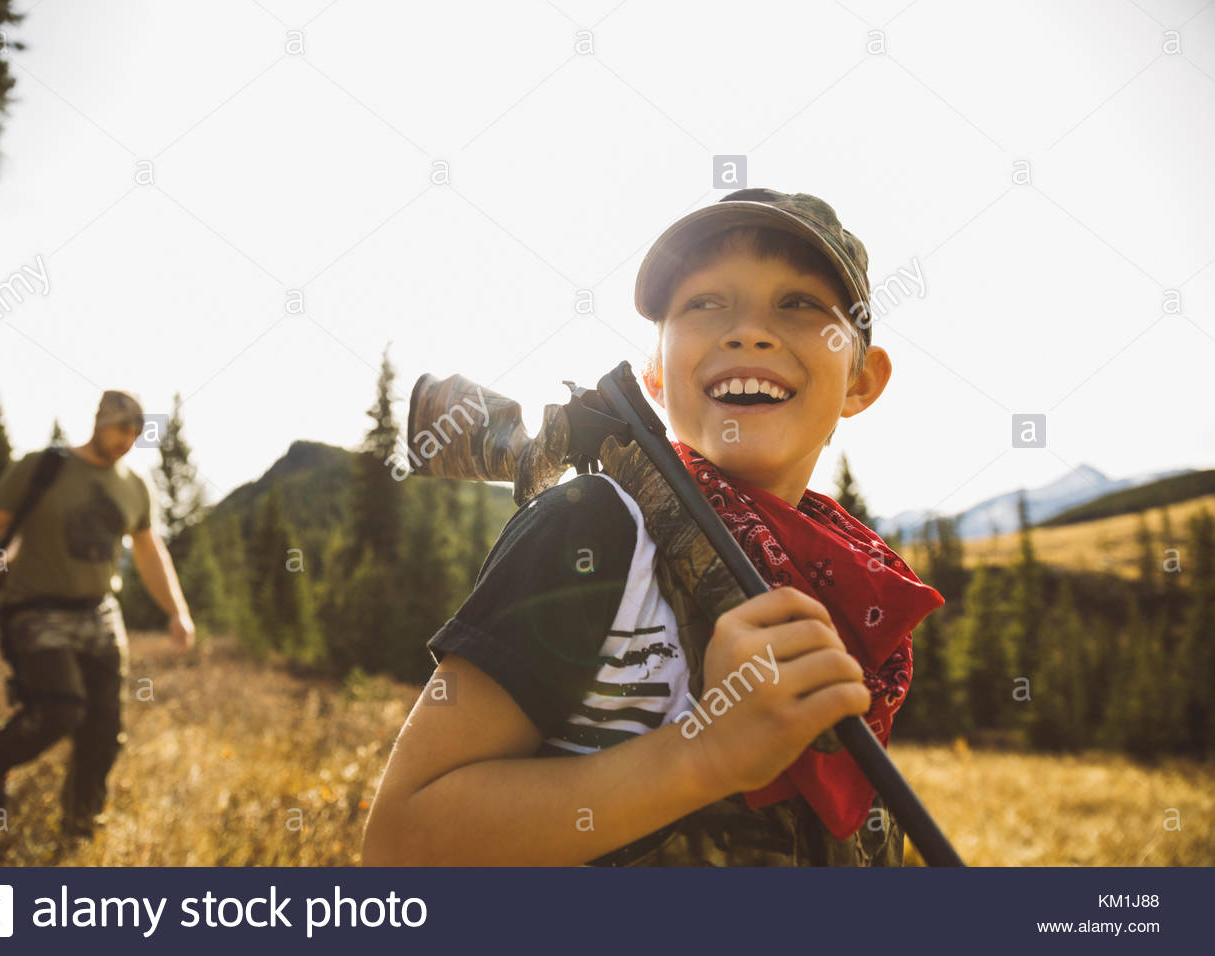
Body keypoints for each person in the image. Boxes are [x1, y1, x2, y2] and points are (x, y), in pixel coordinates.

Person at [361, 189, 945, 866]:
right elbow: (401, 844)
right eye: (703, 303)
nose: (748, 331)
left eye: (800, 304)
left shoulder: (857, 583)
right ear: (656, 377)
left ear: (861, 380)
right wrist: (707, 753)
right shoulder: (596, 528)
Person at [0, 390, 196, 838]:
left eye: (136, 431)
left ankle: (80, 825)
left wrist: (177, 611)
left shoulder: (133, 486)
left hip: (101, 613)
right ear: (99, 421)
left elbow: (148, 551)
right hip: (36, 610)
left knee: (104, 730)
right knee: (59, 711)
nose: (127, 438)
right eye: (121, 426)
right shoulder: (44, 467)